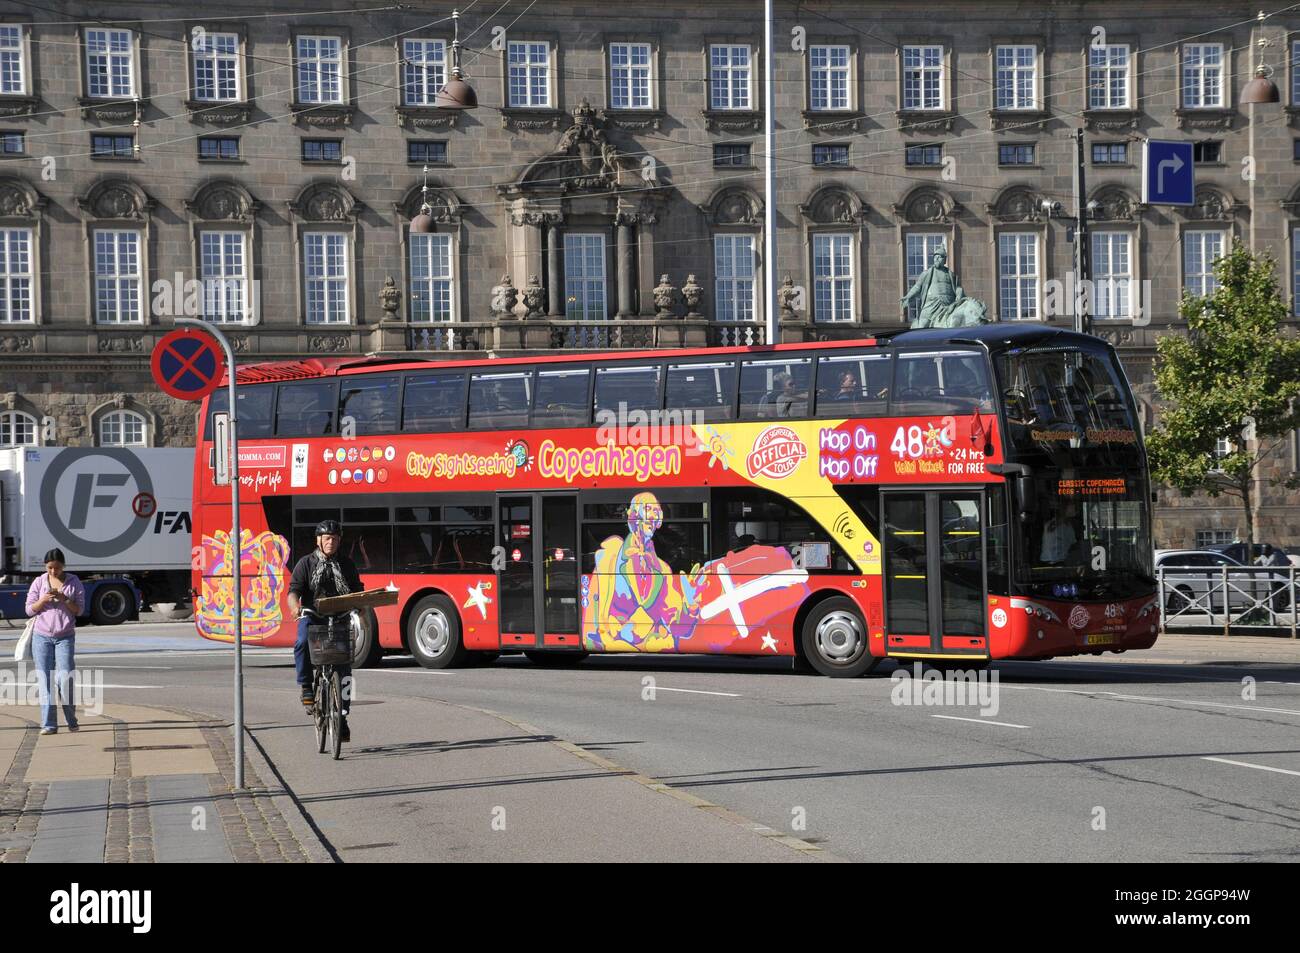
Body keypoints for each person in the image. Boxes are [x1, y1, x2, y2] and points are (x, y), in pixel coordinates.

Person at [287, 520, 363, 742]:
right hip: (312, 615)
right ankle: (306, 687)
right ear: (318, 540)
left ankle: (343, 717)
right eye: (327, 538)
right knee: (301, 642)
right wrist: (295, 608)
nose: (331, 542)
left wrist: (363, 609)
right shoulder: (305, 563)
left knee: (345, 673)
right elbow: (294, 591)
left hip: (340, 617)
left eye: (335, 539)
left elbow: (358, 591)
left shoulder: (347, 564)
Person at [24, 548, 85, 735]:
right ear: (45, 566)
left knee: (65, 677)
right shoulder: (39, 582)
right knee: (45, 680)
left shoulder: (74, 583)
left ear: (63, 566)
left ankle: (71, 720)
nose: (53, 572)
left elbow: (80, 610)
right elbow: (29, 610)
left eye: (57, 568)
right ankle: (49, 724)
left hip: (65, 636)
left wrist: (64, 598)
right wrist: (43, 600)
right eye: (50, 568)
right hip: (41, 637)